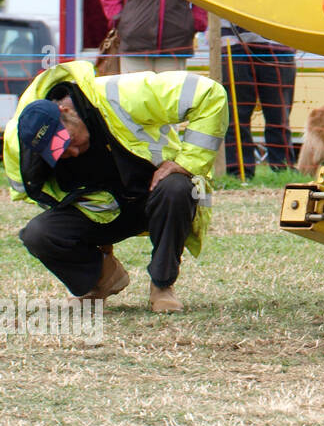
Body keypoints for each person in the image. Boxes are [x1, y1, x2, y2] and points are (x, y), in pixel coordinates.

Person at [4, 60, 229, 313]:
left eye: (70, 142)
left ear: (65, 111)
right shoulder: (21, 147)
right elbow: (38, 194)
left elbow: (210, 93)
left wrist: (187, 163)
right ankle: (103, 279)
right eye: (61, 154)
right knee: (38, 234)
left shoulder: (119, 94)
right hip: (101, 212)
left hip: (155, 192)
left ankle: (162, 286)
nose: (75, 152)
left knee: (178, 187)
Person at [220, 20, 297, 178]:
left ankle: (283, 170)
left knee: (279, 114)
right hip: (232, 43)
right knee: (235, 115)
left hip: (280, 41)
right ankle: (238, 171)